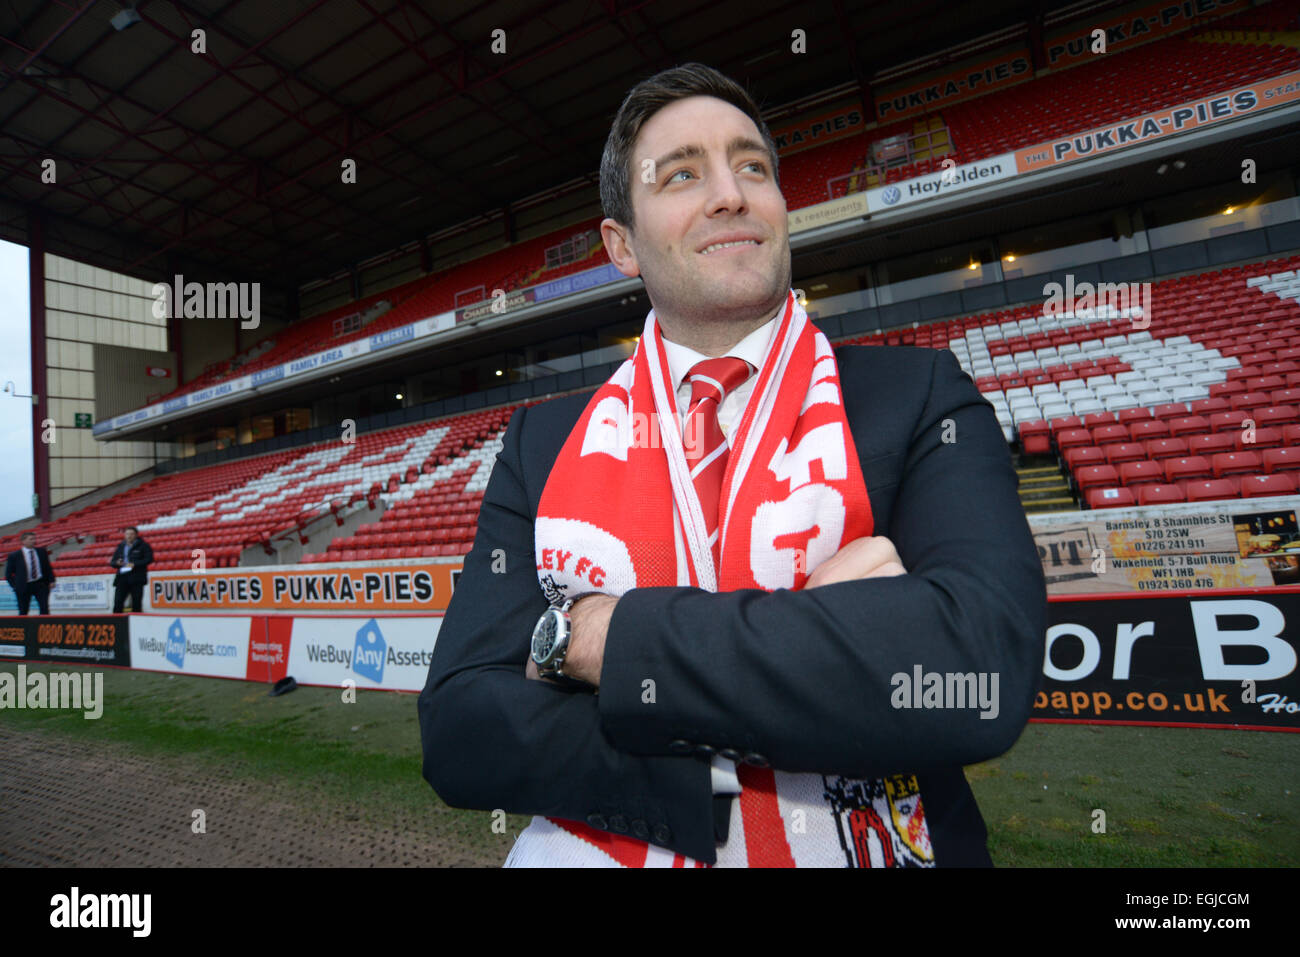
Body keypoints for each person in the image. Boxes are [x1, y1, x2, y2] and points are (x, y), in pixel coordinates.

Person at [418, 63, 1047, 867]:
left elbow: (975, 668)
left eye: (752, 166)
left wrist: (597, 639)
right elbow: (463, 729)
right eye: (682, 174)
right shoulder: (540, 442)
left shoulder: (917, 395)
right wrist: (807, 663)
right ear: (621, 245)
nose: (731, 194)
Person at [5, 531, 55, 616]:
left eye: (34, 538)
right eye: (31, 539)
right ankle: (24, 627)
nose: (34, 540)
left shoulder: (41, 551)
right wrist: (15, 586)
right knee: (23, 610)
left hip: (40, 584)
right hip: (24, 586)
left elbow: (47, 567)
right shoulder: (14, 555)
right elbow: (8, 574)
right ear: (23, 541)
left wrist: (51, 580)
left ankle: (43, 626)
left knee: (44, 608)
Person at [109, 526, 152, 613]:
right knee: (118, 602)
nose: (129, 536)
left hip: (136, 578)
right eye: (127, 534)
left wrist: (135, 564)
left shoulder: (143, 546)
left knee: (136, 603)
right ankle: (117, 623)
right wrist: (117, 563)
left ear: (136, 535)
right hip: (122, 578)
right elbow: (112, 562)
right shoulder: (121, 546)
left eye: (131, 534)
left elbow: (149, 559)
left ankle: (136, 623)